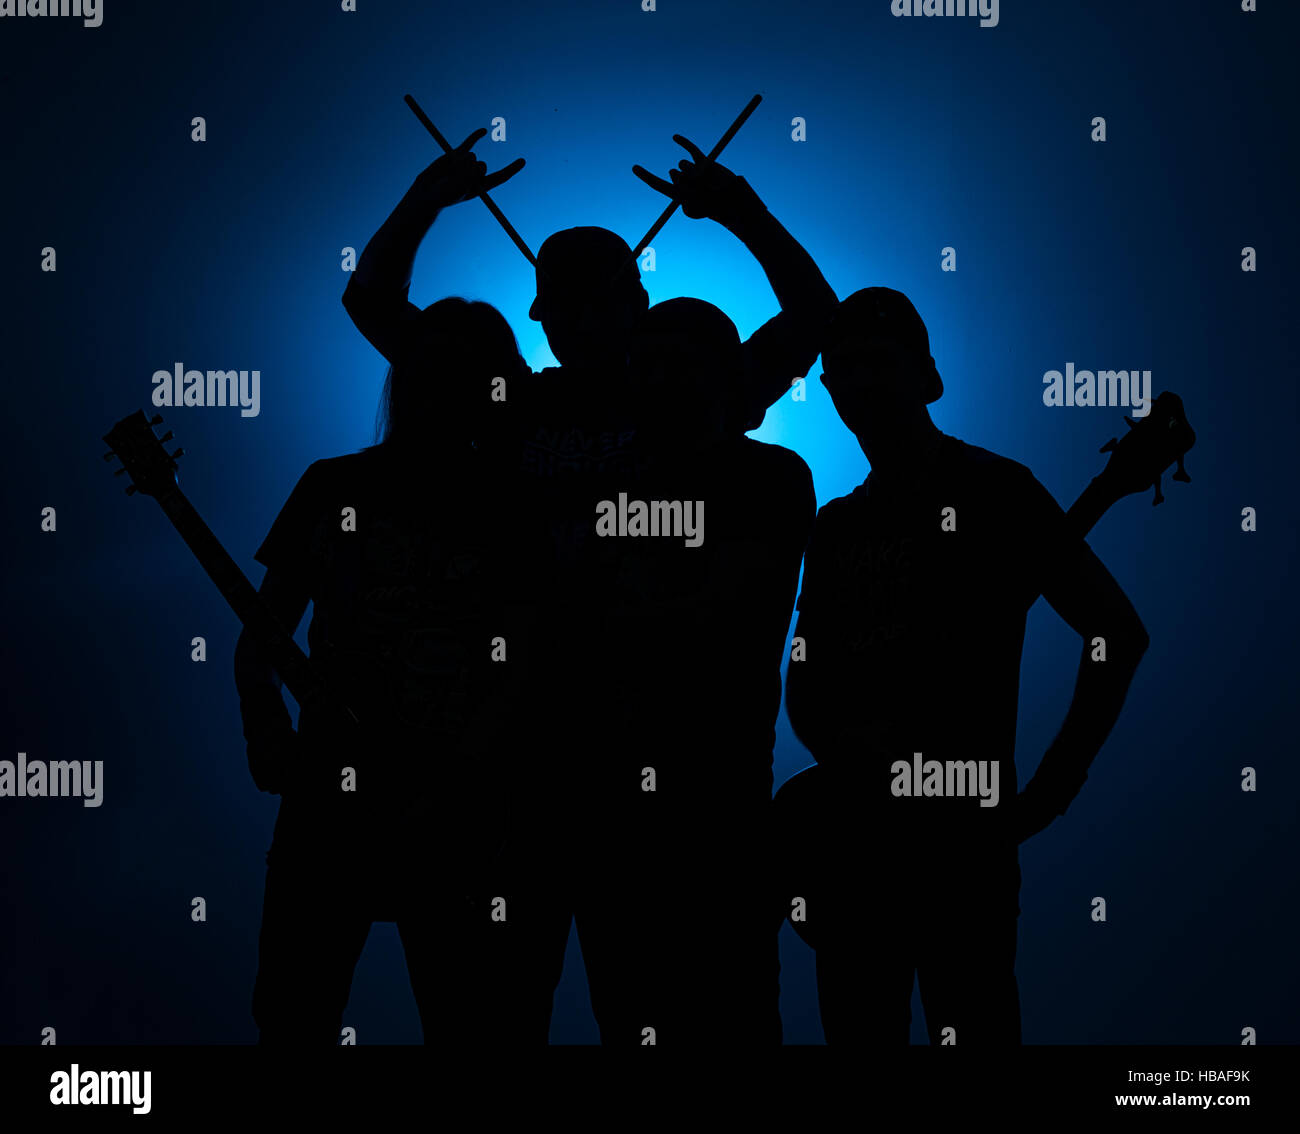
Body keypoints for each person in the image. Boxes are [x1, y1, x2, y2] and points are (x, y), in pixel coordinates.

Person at [339, 126, 837, 1044]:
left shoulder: (692, 397)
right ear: (537, 316)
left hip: (667, 765)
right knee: (495, 1011)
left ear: (638, 303)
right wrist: (424, 198)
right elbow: (373, 307)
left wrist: (743, 212)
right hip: (518, 760)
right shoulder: (511, 404)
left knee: (659, 1010)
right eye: (556, 295)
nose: (572, 310)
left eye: (597, 291)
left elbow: (813, 319)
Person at [778, 287, 1150, 1046]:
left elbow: (1115, 632)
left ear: (930, 379)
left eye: (879, 362)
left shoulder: (995, 487)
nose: (859, 381)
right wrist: (843, 749)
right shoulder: (836, 526)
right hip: (853, 851)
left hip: (962, 855)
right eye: (841, 366)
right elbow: (805, 675)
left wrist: (1048, 793)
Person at [233, 295, 537, 1045]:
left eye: (465, 373)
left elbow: (527, 657)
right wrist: (265, 722)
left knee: (470, 1023)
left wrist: (463, 775)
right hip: (331, 797)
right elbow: (261, 639)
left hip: (461, 806)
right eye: (429, 370)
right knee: (294, 1014)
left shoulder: (514, 504)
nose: (441, 389)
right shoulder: (332, 484)